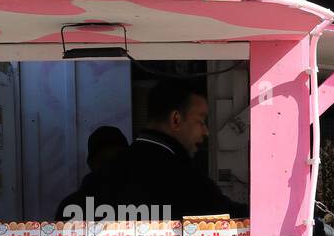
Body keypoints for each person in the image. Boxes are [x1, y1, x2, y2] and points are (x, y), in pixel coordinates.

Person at [79, 78, 247, 220]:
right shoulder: (185, 181)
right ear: (176, 120)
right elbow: (233, 217)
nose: (206, 131)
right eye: (201, 121)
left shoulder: (102, 178)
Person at [55, 125, 129, 221]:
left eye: (116, 161)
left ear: (90, 164)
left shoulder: (70, 206)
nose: (111, 168)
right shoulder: (139, 202)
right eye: (105, 161)